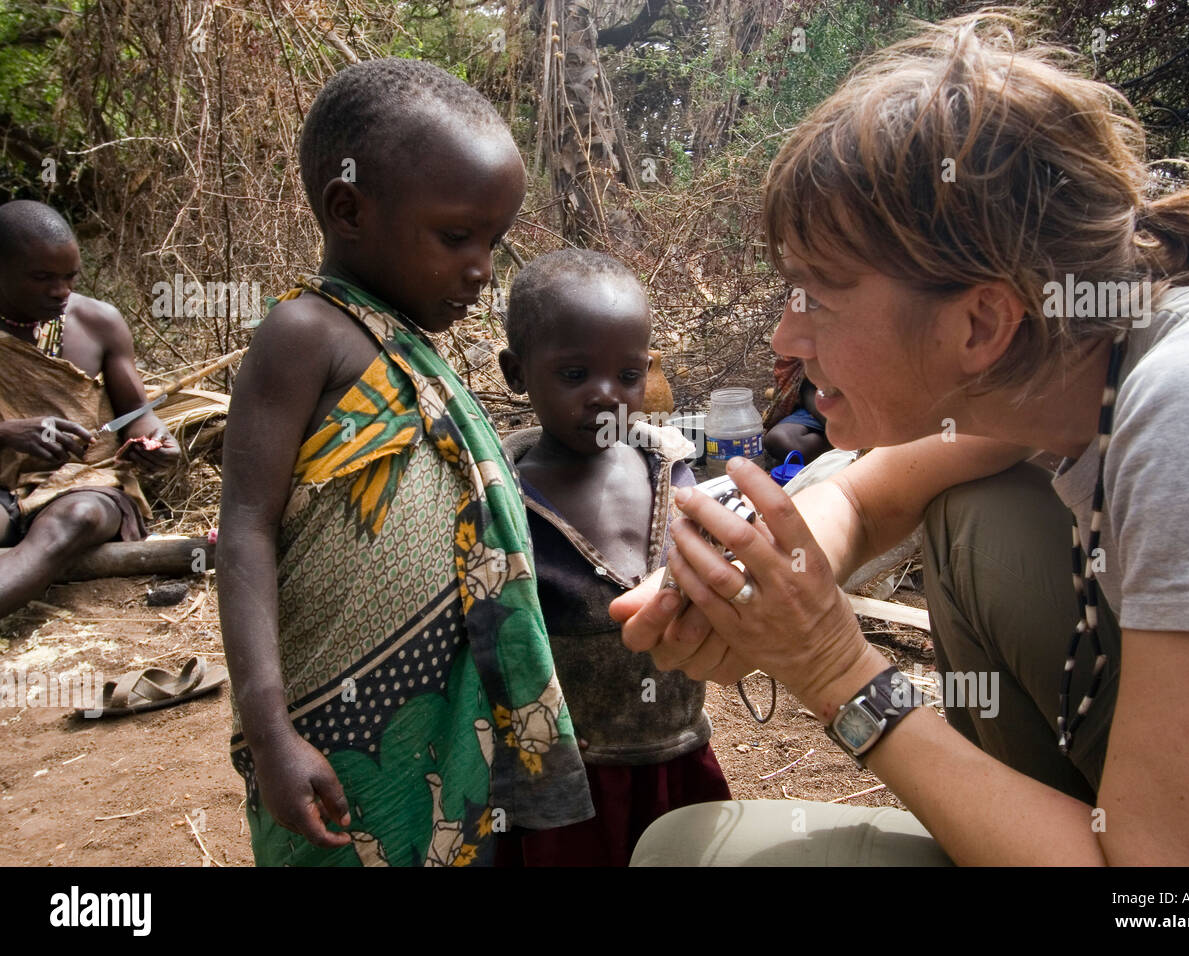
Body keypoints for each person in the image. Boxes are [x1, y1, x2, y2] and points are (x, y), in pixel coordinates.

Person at [611, 9, 1189, 866]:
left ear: (980, 322)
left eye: (818, 297)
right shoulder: (1075, 353)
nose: (786, 342)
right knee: (976, 511)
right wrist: (764, 582)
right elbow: (865, 493)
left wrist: (829, 668)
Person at [217, 60, 593, 867]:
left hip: (446, 724)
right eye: (456, 236)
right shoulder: (304, 335)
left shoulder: (420, 355)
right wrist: (268, 727)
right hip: (332, 726)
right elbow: (244, 524)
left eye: (493, 242)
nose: (481, 267)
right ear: (347, 210)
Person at [495, 250, 732, 866]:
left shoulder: (672, 471)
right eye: (574, 375)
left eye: (627, 376)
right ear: (516, 373)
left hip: (678, 754)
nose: (605, 396)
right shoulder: (501, 499)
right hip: (568, 780)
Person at [0, 200, 179, 620]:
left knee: (76, 519)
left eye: (69, 277)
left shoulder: (98, 322)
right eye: (42, 278)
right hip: (3, 482)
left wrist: (156, 440)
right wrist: (9, 433)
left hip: (87, 482)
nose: (60, 290)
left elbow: (137, 409)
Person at [762, 356, 833, 467]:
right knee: (778, 439)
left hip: (855, 406)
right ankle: (836, 443)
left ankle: (847, 444)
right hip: (814, 405)